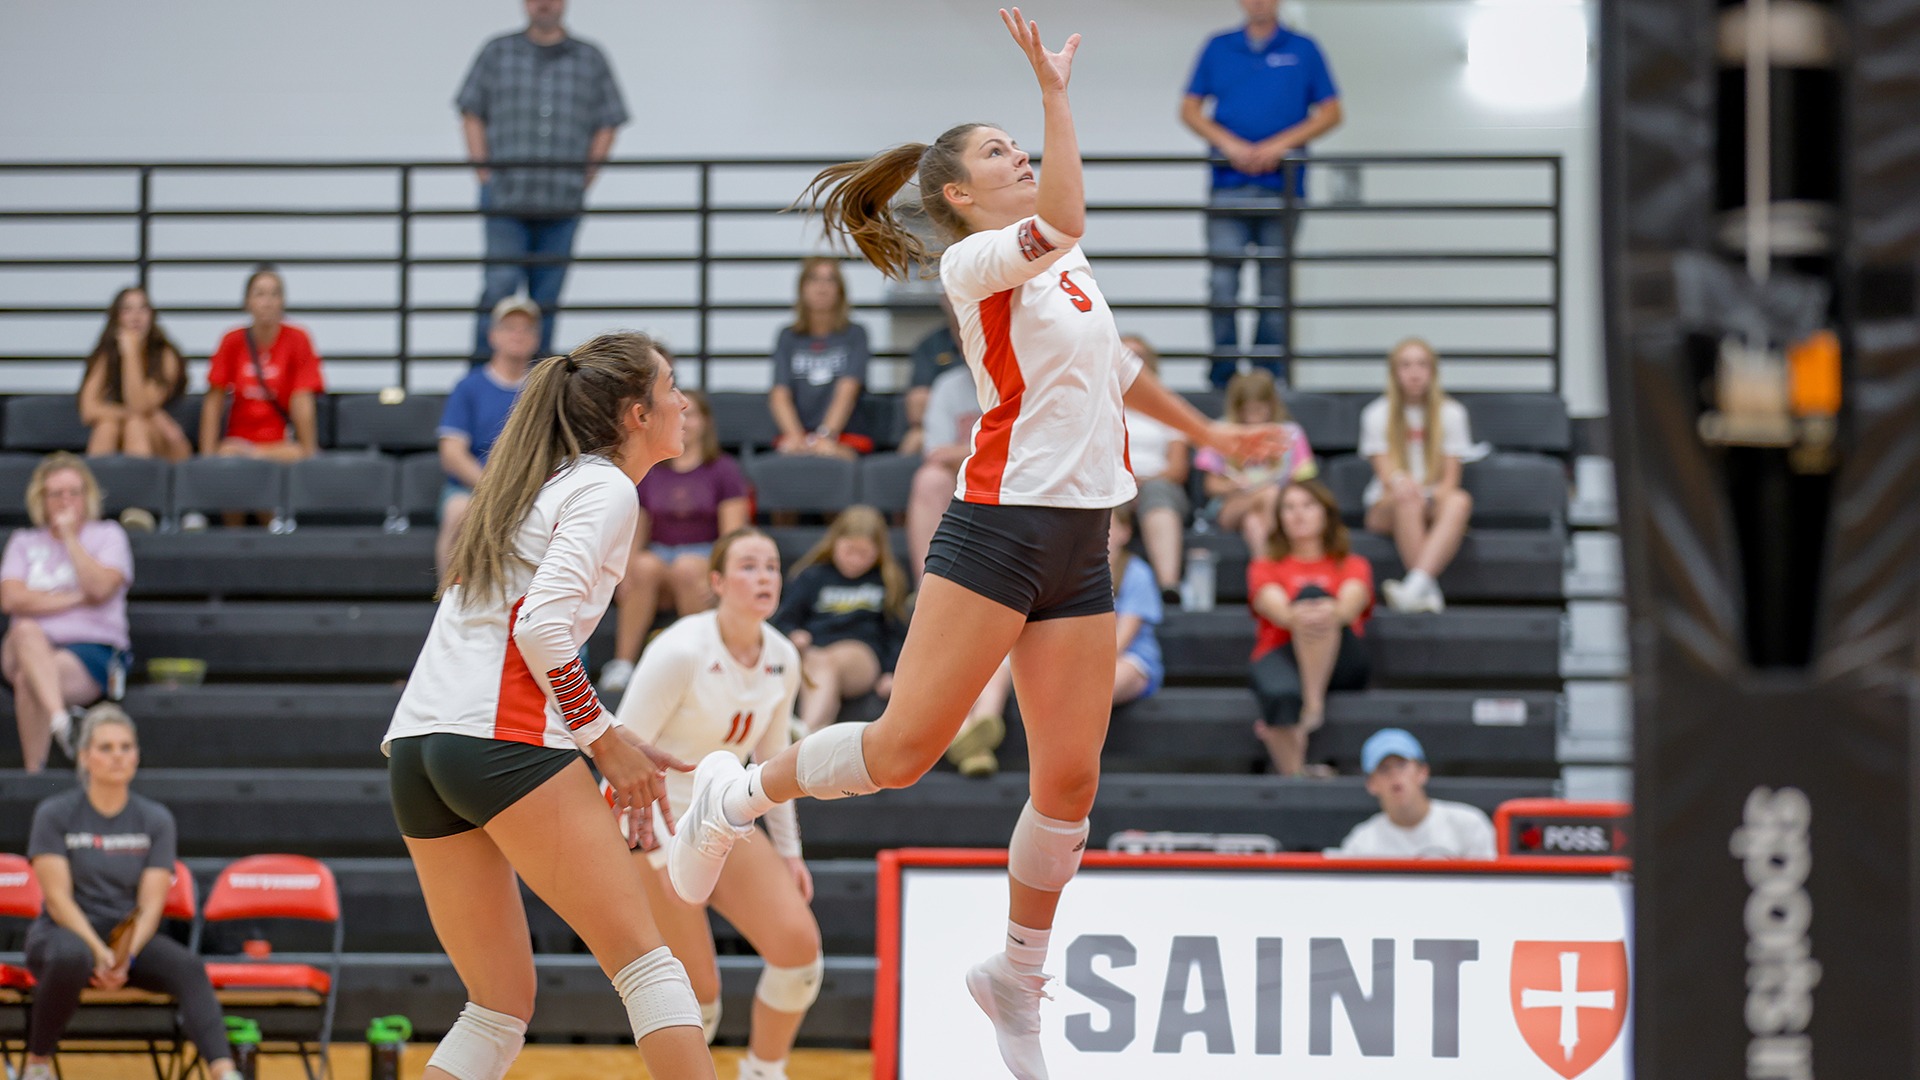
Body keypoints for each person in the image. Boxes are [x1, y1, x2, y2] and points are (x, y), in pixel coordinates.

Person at [663, 14, 1279, 1079]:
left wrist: (1211, 433)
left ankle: (1016, 975)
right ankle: (736, 793)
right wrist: (1054, 90)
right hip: (997, 527)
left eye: (1020, 143)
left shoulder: (1069, 270)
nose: (1022, 156)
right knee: (903, 752)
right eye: (1000, 150)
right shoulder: (978, 261)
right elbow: (1069, 206)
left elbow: (1119, 374)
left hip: (1084, 537)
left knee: (1073, 782)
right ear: (958, 192)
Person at [381, 332, 717, 1079]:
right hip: (498, 739)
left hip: (420, 747)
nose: (684, 401)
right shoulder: (605, 488)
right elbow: (537, 625)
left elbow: (514, 630)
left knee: (496, 1006)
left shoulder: (543, 484)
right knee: (648, 968)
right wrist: (602, 739)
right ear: (636, 414)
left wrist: (608, 729)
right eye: (671, 387)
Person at [612, 528, 821, 1080]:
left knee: (800, 955)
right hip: (646, 821)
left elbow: (776, 764)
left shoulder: (781, 657)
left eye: (772, 567)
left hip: (719, 818)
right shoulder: (680, 650)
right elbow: (619, 751)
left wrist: (790, 853)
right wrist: (654, 854)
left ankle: (763, 1071)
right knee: (697, 999)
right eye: (749, 567)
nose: (765, 578)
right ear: (718, 583)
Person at [21, 705, 239, 1080]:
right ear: (86, 757)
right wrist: (98, 951)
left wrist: (126, 956)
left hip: (129, 936)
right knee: (72, 955)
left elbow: (151, 903)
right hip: (64, 934)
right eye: (106, 748)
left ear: (137, 755)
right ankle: (37, 1064)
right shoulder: (55, 814)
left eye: (126, 747)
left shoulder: (155, 819)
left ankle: (223, 1071)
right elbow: (57, 900)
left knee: (188, 966)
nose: (118, 756)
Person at [1181, 0, 1343, 387]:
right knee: (1222, 285)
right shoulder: (1218, 46)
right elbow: (1189, 109)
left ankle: (1268, 376)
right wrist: (1231, 145)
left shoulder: (1304, 48)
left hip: (1282, 187)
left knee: (1275, 289)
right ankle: (1224, 376)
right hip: (1227, 185)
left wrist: (1279, 146)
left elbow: (1331, 112)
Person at [458, 0, 629, 361]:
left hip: (562, 198)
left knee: (547, 298)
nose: (544, 4)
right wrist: (483, 172)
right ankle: (481, 375)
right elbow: (471, 110)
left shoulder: (590, 58)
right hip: (506, 196)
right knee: (499, 288)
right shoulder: (497, 51)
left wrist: (587, 175)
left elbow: (610, 120)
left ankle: (541, 385)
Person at [958, 502, 1167, 776]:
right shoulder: (1072, 570)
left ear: (1126, 532)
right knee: (998, 667)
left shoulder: (1135, 572)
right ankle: (978, 736)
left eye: (1108, 525)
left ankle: (1068, 763)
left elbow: (1122, 638)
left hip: (1128, 659)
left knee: (1099, 683)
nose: (1100, 532)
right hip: (1074, 658)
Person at [600, 390, 751, 696]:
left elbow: (733, 537)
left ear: (706, 422)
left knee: (685, 568)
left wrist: (723, 576)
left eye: (693, 414)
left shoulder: (723, 469)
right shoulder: (652, 467)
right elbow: (637, 527)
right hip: (658, 558)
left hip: (702, 557)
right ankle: (623, 664)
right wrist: (623, 571)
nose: (686, 421)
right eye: (679, 414)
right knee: (641, 565)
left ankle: (705, 663)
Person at [1, 455, 132, 774]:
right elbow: (10, 599)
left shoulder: (108, 535)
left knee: (28, 679)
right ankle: (63, 721)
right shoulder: (24, 541)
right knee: (25, 631)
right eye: (56, 494)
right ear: (40, 500)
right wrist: (75, 597)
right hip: (25, 647)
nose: (65, 501)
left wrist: (71, 538)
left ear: (87, 496)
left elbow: (100, 588)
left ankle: (36, 770)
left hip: (90, 652)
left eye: (73, 492)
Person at [1247, 479, 1371, 776]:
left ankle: (1312, 704)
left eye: (1307, 505)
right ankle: (1298, 777)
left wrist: (1323, 609)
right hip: (1282, 649)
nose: (1298, 514)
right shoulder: (1265, 565)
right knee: (1279, 694)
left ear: (1325, 513)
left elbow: (1349, 606)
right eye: (1288, 508)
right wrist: (1303, 613)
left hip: (1343, 657)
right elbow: (1276, 609)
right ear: (1279, 519)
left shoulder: (1351, 563)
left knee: (1315, 597)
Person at [1360, 337, 1476, 614]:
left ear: (1433, 371)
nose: (1414, 372)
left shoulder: (1452, 413)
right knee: (1405, 495)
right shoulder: (1376, 414)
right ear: (1394, 373)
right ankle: (1427, 589)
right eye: (1406, 365)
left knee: (1459, 501)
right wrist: (1406, 486)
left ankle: (1415, 588)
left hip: (1432, 499)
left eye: (1422, 365)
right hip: (1388, 503)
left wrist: (1430, 495)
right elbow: (1387, 477)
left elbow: (1450, 482)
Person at [772, 506, 907, 736]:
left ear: (879, 551)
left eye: (863, 553)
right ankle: (810, 735)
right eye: (849, 550)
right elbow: (784, 620)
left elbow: (896, 632)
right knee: (819, 662)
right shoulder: (812, 576)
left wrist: (892, 671)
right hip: (815, 651)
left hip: (861, 654)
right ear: (835, 543)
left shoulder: (886, 580)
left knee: (829, 662)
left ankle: (802, 733)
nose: (855, 560)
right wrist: (794, 634)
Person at [437, 295, 540, 577]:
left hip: (529, 488)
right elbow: (452, 453)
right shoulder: (469, 387)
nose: (518, 335)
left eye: (526, 329)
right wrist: (491, 488)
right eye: (510, 327)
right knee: (459, 513)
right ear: (493, 335)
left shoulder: (541, 390)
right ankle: (452, 601)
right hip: (473, 488)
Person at [200, 265, 324, 463]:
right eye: (260, 294)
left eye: (275, 294)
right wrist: (207, 459)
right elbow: (214, 400)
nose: (267, 302)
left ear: (283, 301)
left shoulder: (298, 339)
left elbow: (303, 399)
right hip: (238, 442)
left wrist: (309, 456)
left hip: (281, 444)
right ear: (247, 302)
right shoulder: (232, 340)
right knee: (226, 454)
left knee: (296, 454)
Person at [1197, 369, 1316, 556]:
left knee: (1253, 522)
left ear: (1272, 405)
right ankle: (1286, 561)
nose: (1253, 418)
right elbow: (1210, 485)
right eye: (1246, 411)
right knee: (1269, 493)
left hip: (1277, 504)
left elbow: (1303, 481)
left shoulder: (1291, 434)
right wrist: (1232, 485)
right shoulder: (1222, 432)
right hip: (1231, 506)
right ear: (1236, 409)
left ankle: (1265, 576)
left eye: (1259, 410)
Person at [1331, 728, 1496, 859]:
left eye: (1401, 765)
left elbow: (1487, 890)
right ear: (1371, 784)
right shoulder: (1361, 843)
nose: (1394, 775)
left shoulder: (1469, 824)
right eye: (1383, 769)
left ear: (1422, 772)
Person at [769, 257, 872, 458]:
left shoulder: (855, 334)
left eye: (830, 280)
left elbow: (848, 390)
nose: (822, 287)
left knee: (834, 457)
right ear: (802, 288)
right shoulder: (787, 336)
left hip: (845, 434)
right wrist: (796, 436)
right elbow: (779, 394)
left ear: (840, 290)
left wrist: (826, 435)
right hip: (799, 433)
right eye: (814, 279)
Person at [76, 287, 191, 461]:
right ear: (116, 317)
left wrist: (131, 352)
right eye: (127, 310)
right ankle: (96, 487)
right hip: (131, 428)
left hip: (167, 441)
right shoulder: (107, 354)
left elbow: (139, 405)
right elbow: (88, 410)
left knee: (135, 425)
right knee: (107, 427)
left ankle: (140, 487)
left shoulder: (165, 355)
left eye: (142, 309)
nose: (136, 317)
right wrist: (128, 415)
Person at [1118, 336, 1191, 603]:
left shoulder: (1169, 407)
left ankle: (1168, 585)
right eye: (1124, 356)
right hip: (1112, 485)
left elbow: (1177, 468)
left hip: (1157, 484)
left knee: (1159, 493)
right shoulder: (1099, 405)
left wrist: (1142, 481)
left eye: (1139, 357)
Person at [904, 362, 983, 582]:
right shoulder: (949, 384)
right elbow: (936, 453)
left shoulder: (1024, 378)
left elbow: (1024, 448)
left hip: (1013, 479)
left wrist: (962, 451)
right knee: (930, 479)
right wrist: (989, 449)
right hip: (961, 478)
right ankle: (927, 586)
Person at [899, 295, 964, 455]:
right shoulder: (931, 343)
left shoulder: (997, 332)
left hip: (994, 415)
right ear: (943, 299)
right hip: (948, 420)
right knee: (915, 439)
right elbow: (917, 406)